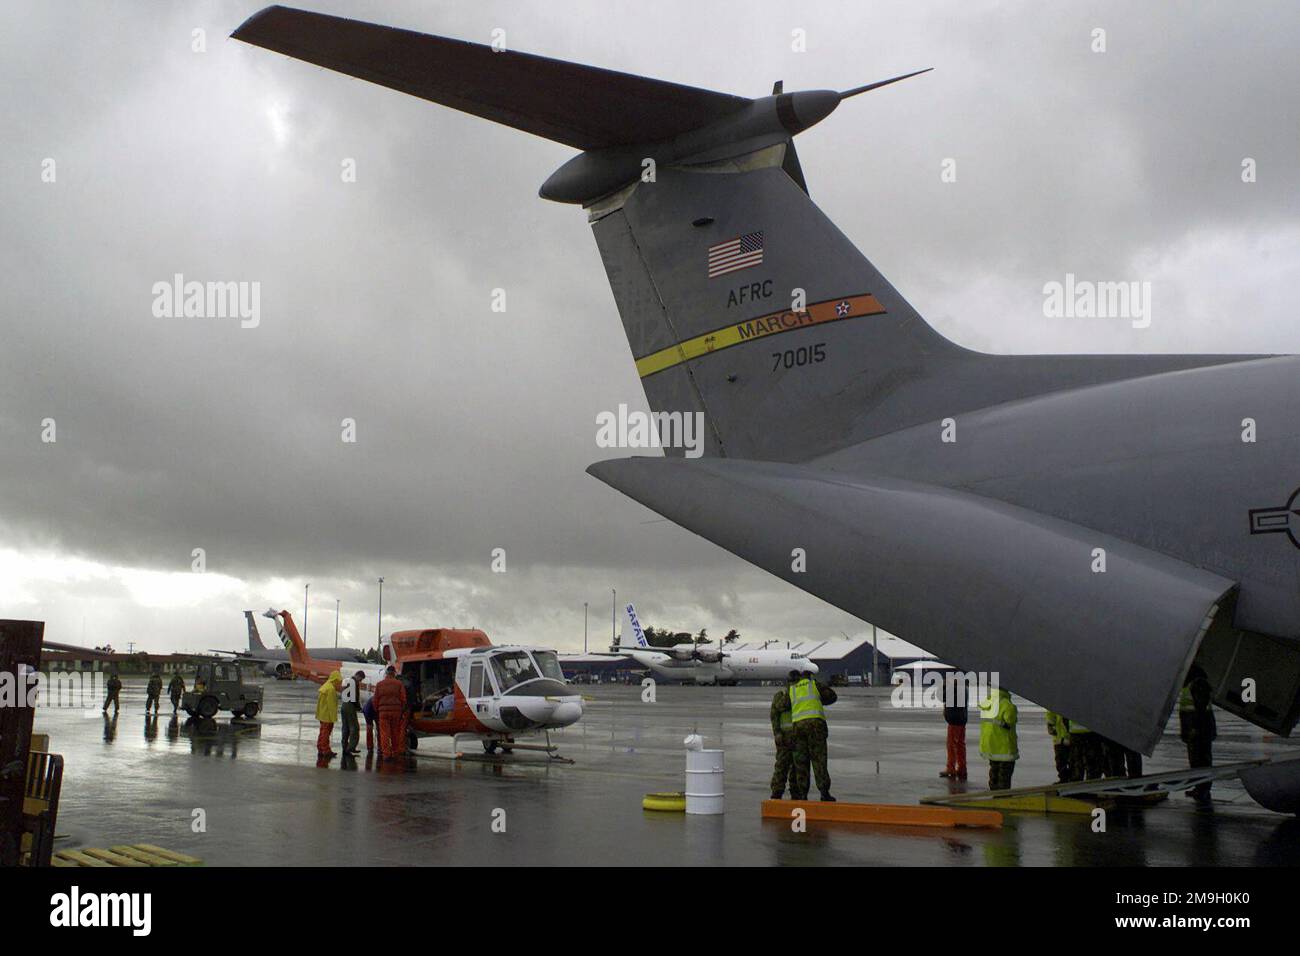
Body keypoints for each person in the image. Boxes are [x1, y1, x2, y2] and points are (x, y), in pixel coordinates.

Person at [782, 669, 837, 801]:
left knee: (801, 761)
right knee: (819, 760)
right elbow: (832, 697)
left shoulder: (792, 689)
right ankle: (824, 793)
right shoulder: (814, 685)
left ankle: (802, 794)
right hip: (816, 726)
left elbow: (783, 705)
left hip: (798, 727)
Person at [1179, 665, 1216, 802]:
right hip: (1197, 731)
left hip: (1200, 732)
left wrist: (1194, 728)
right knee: (1196, 761)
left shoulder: (1198, 684)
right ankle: (1200, 788)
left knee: (1201, 761)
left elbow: (1200, 710)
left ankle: (1203, 790)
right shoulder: (1192, 685)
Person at [979, 687, 1018, 790]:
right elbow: (1010, 720)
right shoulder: (1006, 704)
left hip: (990, 745)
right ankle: (1002, 797)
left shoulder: (987, 702)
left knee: (994, 771)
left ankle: (994, 792)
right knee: (1004, 776)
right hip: (1004, 747)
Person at [769, 674, 797, 799]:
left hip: (798, 736)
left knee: (797, 767)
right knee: (782, 766)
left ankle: (796, 792)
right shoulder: (781, 696)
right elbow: (774, 716)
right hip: (785, 736)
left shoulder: (800, 695)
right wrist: (777, 733)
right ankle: (777, 791)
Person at [372, 666, 407, 759]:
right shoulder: (399, 684)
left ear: (386, 673)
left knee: (384, 733)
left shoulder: (379, 684)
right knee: (395, 732)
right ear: (394, 673)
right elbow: (403, 699)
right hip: (396, 712)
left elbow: (375, 700)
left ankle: (386, 754)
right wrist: (402, 710)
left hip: (383, 713)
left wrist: (377, 710)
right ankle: (395, 752)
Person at [940, 680, 968, 780]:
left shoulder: (954, 689)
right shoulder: (963, 689)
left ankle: (951, 768)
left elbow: (942, 697)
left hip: (954, 720)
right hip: (961, 719)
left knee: (951, 745)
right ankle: (962, 767)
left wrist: (944, 686)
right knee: (960, 745)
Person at [315, 670, 342, 759]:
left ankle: (320, 748)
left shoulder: (325, 686)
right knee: (326, 733)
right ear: (335, 680)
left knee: (322, 733)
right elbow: (331, 705)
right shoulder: (331, 689)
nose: (339, 683)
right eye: (338, 681)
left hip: (322, 714)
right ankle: (326, 750)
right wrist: (333, 718)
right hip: (327, 716)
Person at [339, 670, 363, 756]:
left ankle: (344, 747)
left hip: (344, 705)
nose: (360, 681)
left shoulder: (349, 682)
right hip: (350, 706)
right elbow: (354, 697)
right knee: (354, 728)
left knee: (345, 728)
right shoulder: (354, 683)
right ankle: (351, 747)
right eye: (360, 679)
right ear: (358, 676)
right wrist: (359, 707)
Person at [1045, 711, 1071, 783]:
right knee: (1060, 761)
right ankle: (1064, 779)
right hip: (1060, 737)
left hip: (1068, 737)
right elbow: (1050, 714)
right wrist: (1050, 725)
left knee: (1071, 761)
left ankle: (1069, 780)